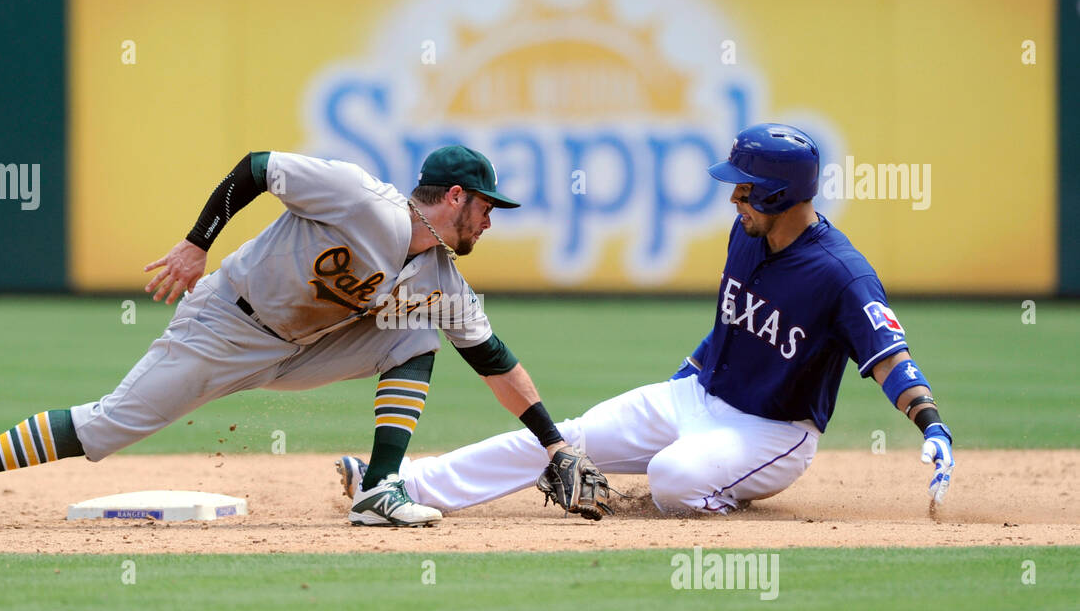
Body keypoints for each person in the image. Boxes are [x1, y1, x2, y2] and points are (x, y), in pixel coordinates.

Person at [0, 147, 603, 528]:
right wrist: (196, 244)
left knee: (418, 334)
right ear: (453, 198)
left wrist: (555, 443)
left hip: (299, 347)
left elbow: (493, 359)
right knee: (105, 429)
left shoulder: (438, 277)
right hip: (226, 323)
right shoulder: (364, 203)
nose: (490, 219)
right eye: (485, 207)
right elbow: (259, 167)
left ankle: (378, 488)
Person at [337, 124, 955, 516]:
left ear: (775, 196)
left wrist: (930, 422)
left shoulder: (841, 274)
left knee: (673, 479)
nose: (733, 197)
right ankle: (400, 483)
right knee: (565, 441)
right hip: (696, 397)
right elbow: (731, 327)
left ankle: (718, 496)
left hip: (773, 432)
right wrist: (683, 381)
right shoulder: (747, 237)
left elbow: (888, 358)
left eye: (744, 189)